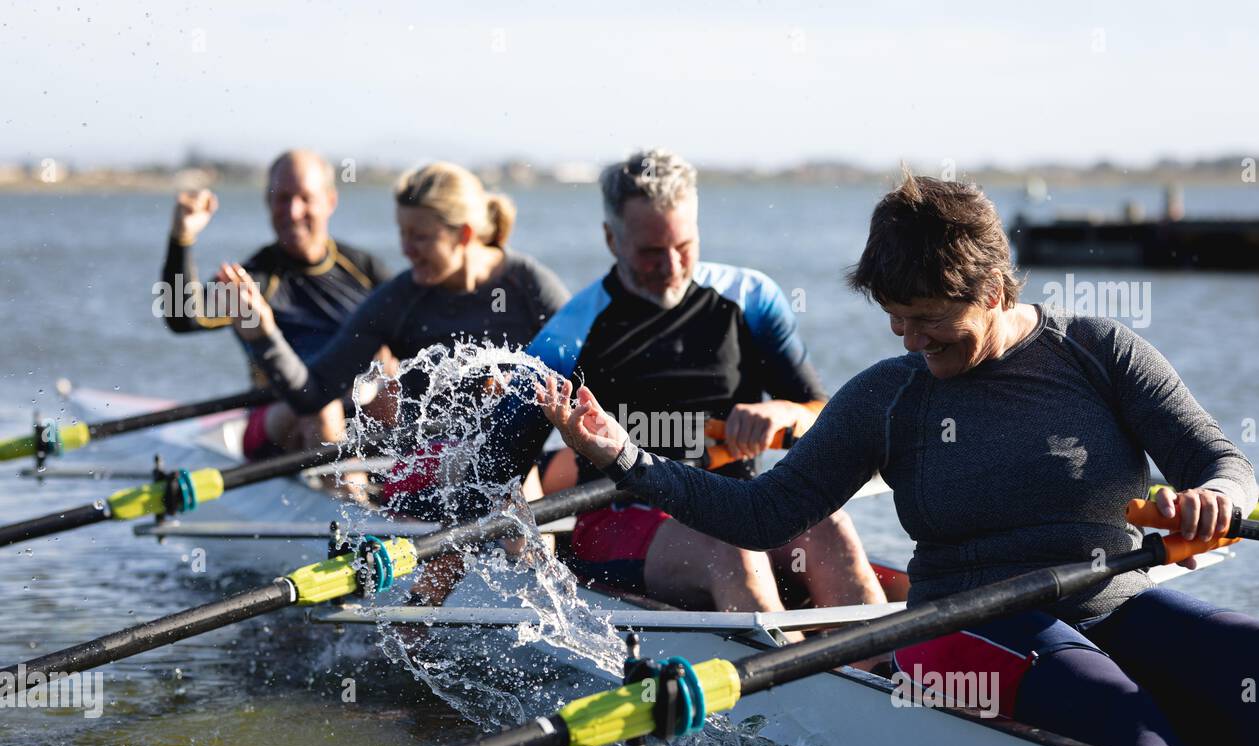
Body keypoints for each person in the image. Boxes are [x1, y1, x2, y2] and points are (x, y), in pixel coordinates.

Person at [539, 169, 1259, 746]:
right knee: (1123, 723)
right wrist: (624, 456)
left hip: (1111, 597)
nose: (909, 342)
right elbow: (760, 515)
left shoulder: (1100, 353)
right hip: (957, 630)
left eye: (931, 323)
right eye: (895, 320)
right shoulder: (886, 396)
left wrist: (1216, 498)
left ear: (995, 290)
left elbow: (1221, 462)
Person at [502, 149, 887, 632]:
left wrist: (784, 413)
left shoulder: (752, 299)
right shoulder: (572, 330)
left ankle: (878, 671)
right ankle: (786, 678)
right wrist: (509, 558)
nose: (670, 266)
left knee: (829, 526)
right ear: (610, 239)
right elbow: (503, 456)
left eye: (683, 245)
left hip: (738, 502)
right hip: (618, 518)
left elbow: (822, 416)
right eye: (650, 252)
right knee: (730, 549)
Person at [231, 161, 570, 504]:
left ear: (463, 235)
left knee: (516, 470)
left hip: (514, 457)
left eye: (420, 237)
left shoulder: (530, 287)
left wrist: (522, 388)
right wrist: (264, 336)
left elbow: (588, 372)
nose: (406, 249)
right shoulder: (399, 298)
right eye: (402, 233)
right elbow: (313, 393)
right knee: (508, 476)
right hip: (418, 469)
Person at [160, 150, 392, 460]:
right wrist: (181, 238)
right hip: (275, 424)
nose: (293, 211)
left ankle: (398, 490)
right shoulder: (253, 280)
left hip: (356, 415)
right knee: (320, 406)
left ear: (329, 201)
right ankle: (351, 499)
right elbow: (181, 316)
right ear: (268, 204)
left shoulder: (363, 269)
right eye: (282, 199)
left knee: (396, 385)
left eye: (304, 198)